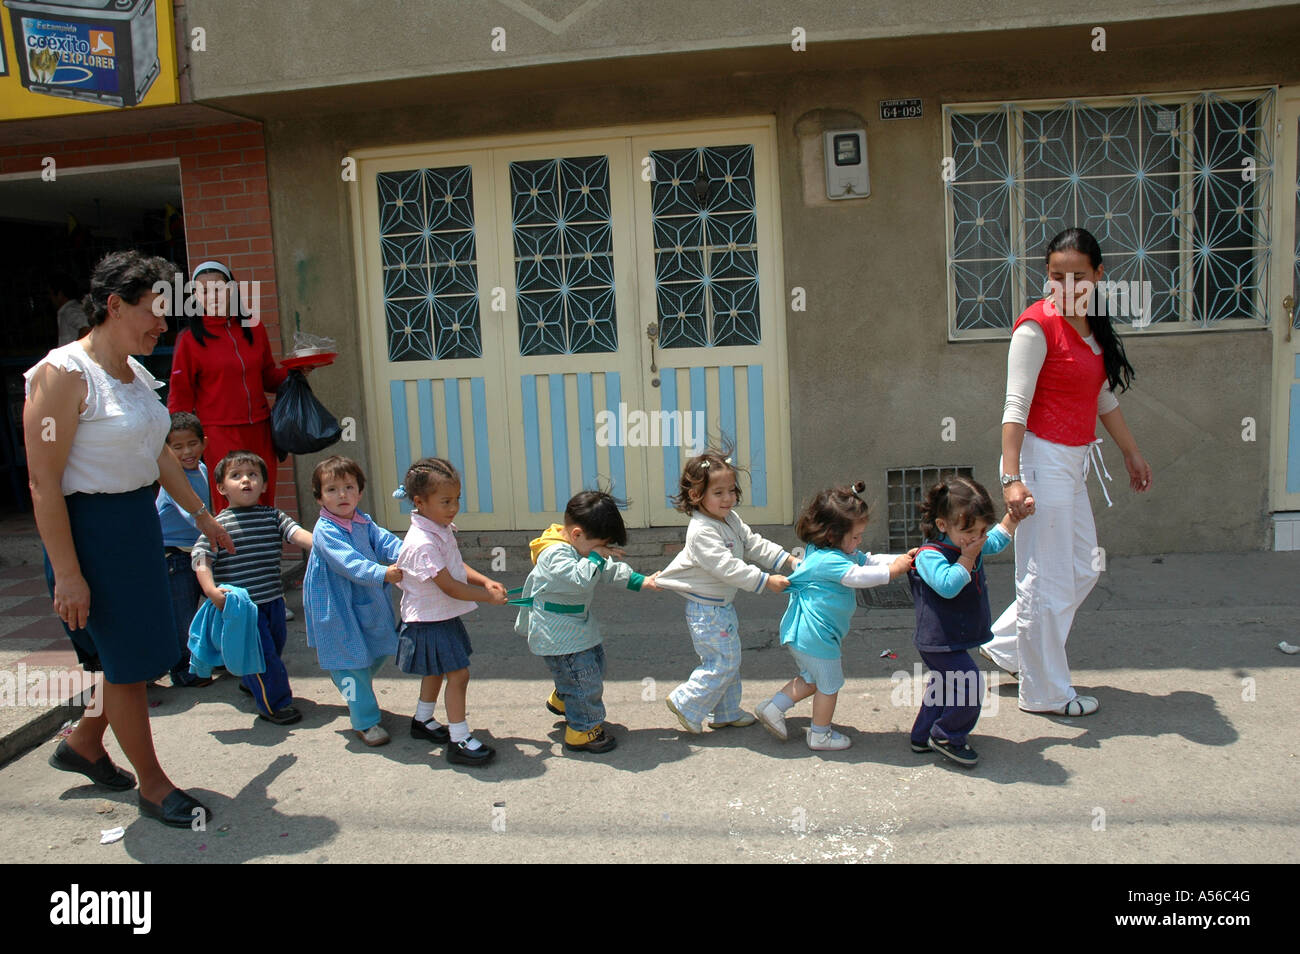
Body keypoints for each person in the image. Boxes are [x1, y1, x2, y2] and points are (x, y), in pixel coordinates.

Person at [24, 250, 234, 828]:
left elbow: (159, 452)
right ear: (114, 306)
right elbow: (42, 482)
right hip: (90, 535)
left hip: (138, 527)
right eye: (155, 312)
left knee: (137, 657)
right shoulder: (60, 374)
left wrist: (201, 515)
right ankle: (154, 785)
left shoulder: (137, 374)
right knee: (123, 665)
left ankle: (83, 744)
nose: (164, 326)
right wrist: (68, 572)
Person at [982, 227, 1153, 717]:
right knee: (1044, 576)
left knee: (1083, 566)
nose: (1067, 284)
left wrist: (1131, 452)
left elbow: (1100, 395)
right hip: (1038, 459)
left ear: (1099, 276)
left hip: (1072, 460)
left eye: (1079, 275)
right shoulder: (1036, 327)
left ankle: (1012, 648)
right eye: (1057, 275)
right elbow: (1015, 405)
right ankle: (1046, 692)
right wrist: (1011, 478)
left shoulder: (1089, 325)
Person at [754, 482, 915, 751]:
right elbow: (858, 576)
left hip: (805, 634)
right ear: (832, 534)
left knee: (811, 680)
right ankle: (820, 735)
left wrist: (901, 559)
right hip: (816, 637)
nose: (859, 541)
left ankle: (772, 708)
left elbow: (868, 560)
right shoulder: (831, 561)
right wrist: (894, 572)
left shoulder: (828, 551)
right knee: (829, 685)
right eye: (855, 536)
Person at [654, 450, 796, 734]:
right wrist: (766, 580)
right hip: (705, 611)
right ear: (696, 495)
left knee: (729, 658)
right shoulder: (701, 531)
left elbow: (753, 543)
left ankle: (726, 712)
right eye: (718, 492)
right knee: (723, 661)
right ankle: (686, 702)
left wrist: (788, 560)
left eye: (731, 490)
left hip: (720, 606)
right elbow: (728, 568)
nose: (728, 498)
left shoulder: (730, 519)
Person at [514, 490, 659, 754]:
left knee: (593, 668)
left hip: (575, 628)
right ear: (578, 534)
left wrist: (641, 580)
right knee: (584, 678)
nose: (602, 553)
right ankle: (582, 730)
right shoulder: (553, 555)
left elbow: (606, 569)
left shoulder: (580, 547)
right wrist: (596, 557)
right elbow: (579, 579)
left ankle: (565, 697)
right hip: (558, 634)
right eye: (599, 547)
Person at [393, 458, 507, 766]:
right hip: (429, 621)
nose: (454, 507)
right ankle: (459, 739)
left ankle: (422, 720)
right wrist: (487, 597)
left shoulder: (439, 528)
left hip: (439, 616)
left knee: (437, 670)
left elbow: (456, 567)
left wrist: (485, 580)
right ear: (419, 502)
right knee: (458, 674)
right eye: (446, 501)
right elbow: (450, 586)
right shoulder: (422, 543)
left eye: (457, 499)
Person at [192, 450, 313, 725]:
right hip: (242, 609)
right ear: (222, 488)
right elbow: (201, 560)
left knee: (274, 646)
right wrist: (211, 591)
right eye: (236, 476)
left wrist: (325, 544)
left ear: (265, 484)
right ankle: (274, 704)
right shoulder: (217, 525)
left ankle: (251, 680)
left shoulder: (273, 516)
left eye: (253, 475)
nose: (246, 480)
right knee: (265, 656)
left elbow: (298, 534)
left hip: (273, 601)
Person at [908, 477, 1019, 767]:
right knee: (969, 684)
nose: (977, 538)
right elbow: (948, 585)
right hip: (938, 641)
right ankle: (948, 735)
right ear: (942, 525)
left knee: (945, 685)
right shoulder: (929, 556)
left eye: (981, 530)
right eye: (969, 531)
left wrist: (1012, 519)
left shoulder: (971, 543)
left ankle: (923, 736)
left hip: (952, 637)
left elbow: (994, 541)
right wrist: (967, 558)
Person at [166, 260, 289, 514]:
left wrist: (297, 370)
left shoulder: (254, 328)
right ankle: (232, 553)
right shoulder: (189, 340)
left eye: (218, 290)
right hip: (218, 434)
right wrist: (177, 442)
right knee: (230, 503)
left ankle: (265, 553)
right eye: (203, 291)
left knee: (263, 497)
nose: (212, 297)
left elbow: (268, 378)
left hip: (260, 429)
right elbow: (180, 396)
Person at [301, 456, 403, 747]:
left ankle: (349, 683)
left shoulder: (363, 521)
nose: (342, 495)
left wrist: (414, 551)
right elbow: (348, 563)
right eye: (332, 489)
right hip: (335, 605)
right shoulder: (326, 530)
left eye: (349, 487)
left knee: (381, 646)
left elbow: (387, 542)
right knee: (351, 661)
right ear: (319, 497)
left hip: (366, 597)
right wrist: (384, 572)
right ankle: (366, 721)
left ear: (360, 491)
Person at [154, 411, 214, 688]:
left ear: (203, 442)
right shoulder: (172, 479)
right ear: (166, 451)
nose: (187, 451)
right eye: (177, 447)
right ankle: (182, 669)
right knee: (183, 615)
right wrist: (216, 531)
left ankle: (214, 655)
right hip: (174, 556)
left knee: (217, 602)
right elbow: (193, 514)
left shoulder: (201, 470)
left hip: (196, 552)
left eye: (192, 443)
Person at [47, 273, 89, 346]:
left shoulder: (70, 310)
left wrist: (75, 351)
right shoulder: (67, 310)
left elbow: (87, 328)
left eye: (51, 295)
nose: (50, 299)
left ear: (60, 295)